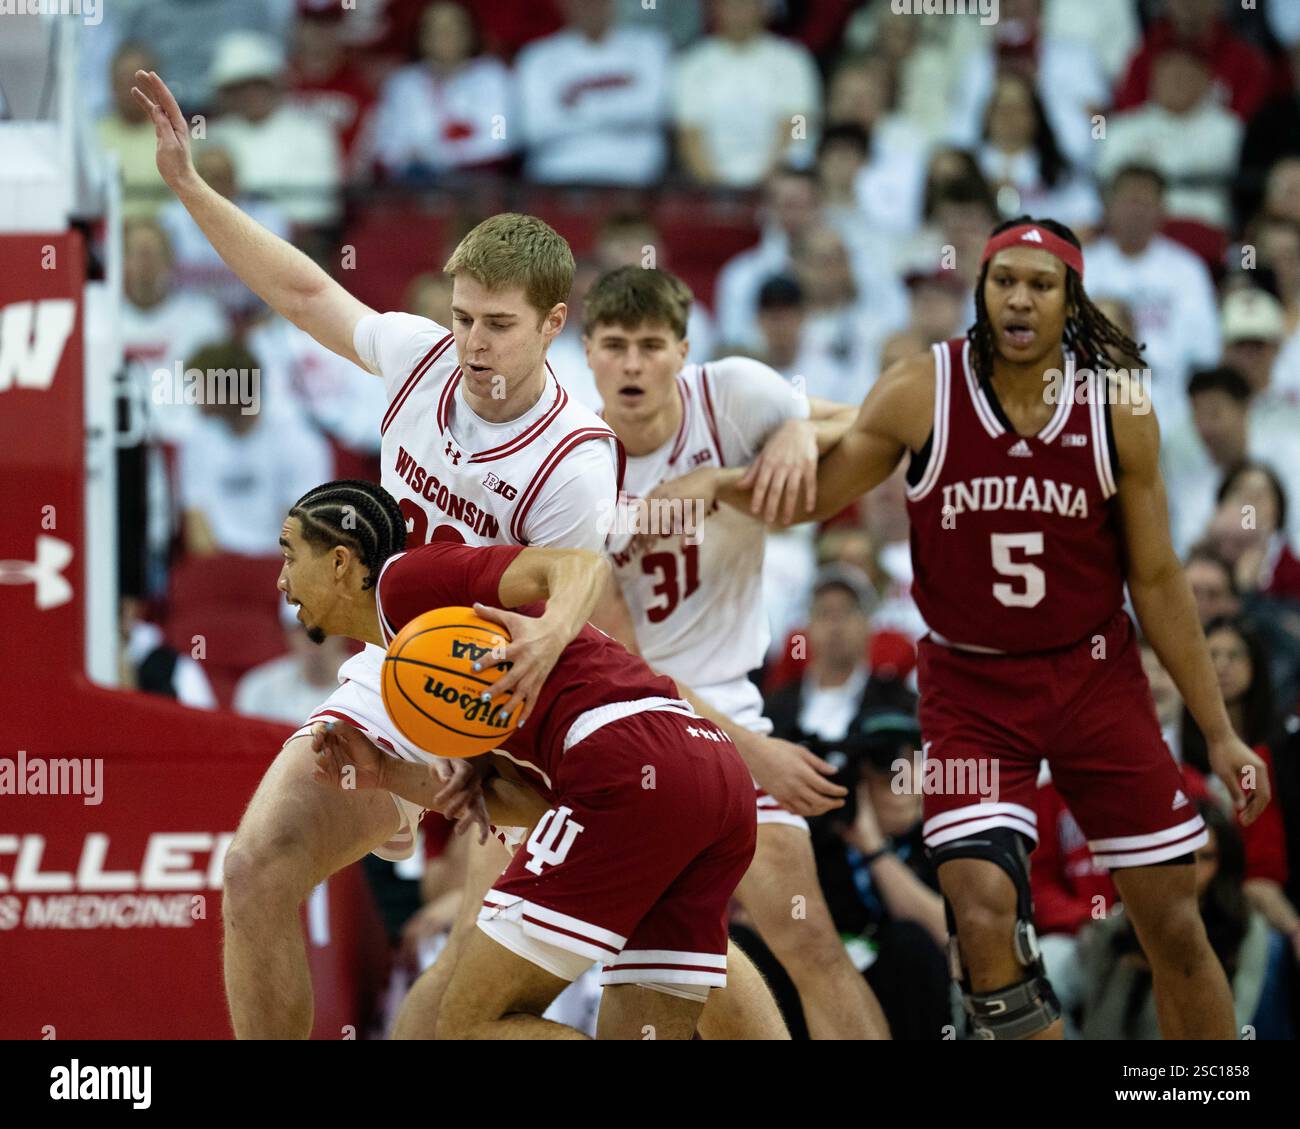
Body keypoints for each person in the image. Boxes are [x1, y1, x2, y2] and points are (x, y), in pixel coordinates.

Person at [680, 215, 1272, 1039]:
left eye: (1040, 283)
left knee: (1172, 919)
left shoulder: (1119, 408)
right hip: (972, 686)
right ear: (982, 291)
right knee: (981, 902)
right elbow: (815, 493)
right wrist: (716, 483)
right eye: (1004, 281)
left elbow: (1161, 577)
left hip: (1096, 678)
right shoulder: (922, 387)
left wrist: (1220, 732)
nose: (1019, 298)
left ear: (1071, 300)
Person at [133, 69, 628, 1038]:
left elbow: (575, 611)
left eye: (498, 326)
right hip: (394, 668)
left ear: (552, 326)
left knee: (452, 1017)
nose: (472, 345)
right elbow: (301, 287)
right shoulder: (418, 358)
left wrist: (463, 751)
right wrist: (190, 187)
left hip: (511, 707)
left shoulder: (574, 458)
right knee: (253, 867)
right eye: (461, 317)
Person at [281, 479, 758, 1039]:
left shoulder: (405, 584)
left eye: (289, 556)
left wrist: (549, 636)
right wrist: (385, 772)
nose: (281, 581)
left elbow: (579, 565)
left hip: (625, 755)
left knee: (470, 1024)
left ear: (340, 562)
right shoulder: (418, 675)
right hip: (708, 770)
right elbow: (531, 805)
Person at [583, 267, 888, 1039]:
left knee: (810, 939)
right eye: (614, 345)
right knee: (656, 961)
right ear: (586, 352)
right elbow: (622, 662)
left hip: (729, 693)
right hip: (624, 717)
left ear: (683, 351)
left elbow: (864, 425)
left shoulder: (739, 395)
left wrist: (786, 433)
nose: (632, 364)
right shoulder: (572, 465)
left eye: (651, 345)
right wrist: (753, 751)